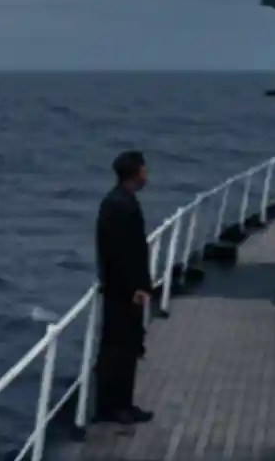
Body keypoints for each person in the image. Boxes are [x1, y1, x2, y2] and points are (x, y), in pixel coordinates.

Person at [93, 150, 156, 424]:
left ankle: (112, 404)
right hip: (124, 291)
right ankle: (118, 407)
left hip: (117, 288)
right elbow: (126, 253)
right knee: (123, 349)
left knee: (117, 348)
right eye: (143, 170)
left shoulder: (115, 202)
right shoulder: (123, 205)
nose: (146, 174)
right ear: (135, 173)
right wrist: (138, 287)